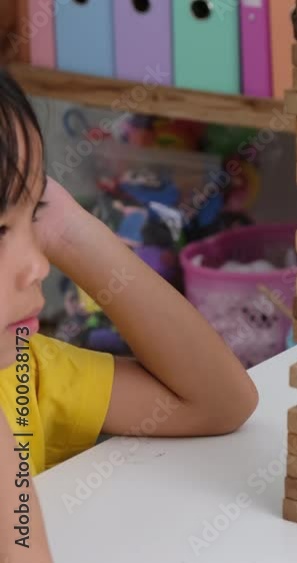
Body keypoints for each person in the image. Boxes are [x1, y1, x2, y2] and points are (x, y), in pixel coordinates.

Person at [0, 66, 260, 560]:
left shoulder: (25, 376)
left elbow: (222, 401)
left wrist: (72, 229)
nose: (37, 264)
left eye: (33, 214)